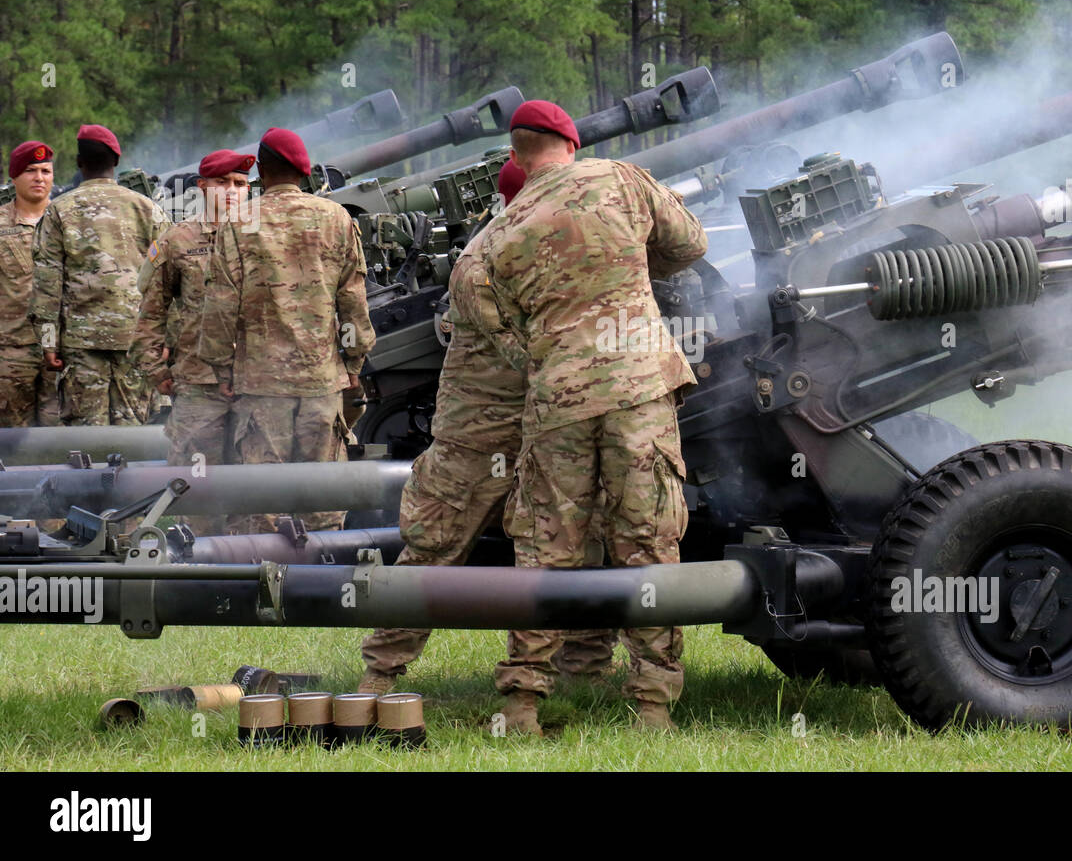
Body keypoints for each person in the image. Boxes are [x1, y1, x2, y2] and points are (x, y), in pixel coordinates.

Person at [480, 101, 708, 733]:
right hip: (638, 389)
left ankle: (523, 702)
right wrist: (636, 265)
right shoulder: (623, 180)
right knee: (647, 541)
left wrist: (545, 358)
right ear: (571, 142)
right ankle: (654, 707)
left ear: (518, 155)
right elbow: (690, 243)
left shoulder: (502, 228)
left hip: (558, 402)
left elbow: (486, 316)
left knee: (546, 549)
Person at [356, 158, 617, 697]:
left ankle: (585, 670)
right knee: (439, 542)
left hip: (541, 421)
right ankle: (381, 674)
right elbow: (537, 352)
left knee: (573, 538)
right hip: (484, 428)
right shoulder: (495, 254)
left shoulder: (522, 244)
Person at [196, 128, 375, 533]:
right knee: (322, 499)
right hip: (322, 384)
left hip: (261, 388)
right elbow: (353, 303)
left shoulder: (240, 221)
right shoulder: (336, 218)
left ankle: (264, 587)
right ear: (303, 171)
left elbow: (221, 306)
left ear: (261, 170)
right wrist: (353, 363)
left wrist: (221, 370)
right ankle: (323, 586)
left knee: (262, 501)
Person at [133, 149, 254, 536]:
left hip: (260, 384)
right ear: (202, 187)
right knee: (197, 487)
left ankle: (255, 578)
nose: (233, 191)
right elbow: (151, 309)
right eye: (223, 183)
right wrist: (154, 368)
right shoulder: (178, 240)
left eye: (241, 184)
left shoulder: (265, 238)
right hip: (199, 387)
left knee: (259, 491)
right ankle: (200, 576)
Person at [29, 125, 170, 426]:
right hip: (135, 340)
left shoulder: (58, 211)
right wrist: (165, 340)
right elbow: (167, 279)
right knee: (132, 434)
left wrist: (48, 344)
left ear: (79, 163)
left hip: (81, 346)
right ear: (116, 162)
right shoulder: (148, 209)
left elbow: (47, 284)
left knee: (85, 437)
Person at [0, 141, 54, 426]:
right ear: (14, 177)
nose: (39, 178)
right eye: (31, 171)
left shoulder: (68, 221)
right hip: (11, 354)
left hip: (60, 355)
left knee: (61, 445)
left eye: (46, 171)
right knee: (10, 444)